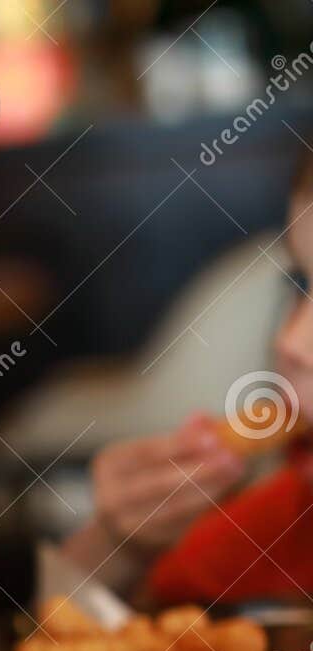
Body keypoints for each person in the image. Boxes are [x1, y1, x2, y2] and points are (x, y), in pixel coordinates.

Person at [60, 169, 313, 606]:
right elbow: (52, 634)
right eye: (300, 284)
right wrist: (118, 545)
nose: (290, 342)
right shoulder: (281, 527)